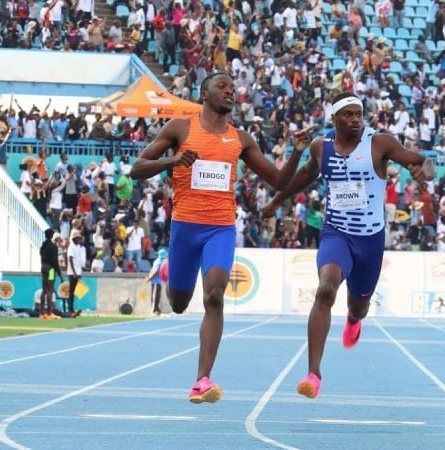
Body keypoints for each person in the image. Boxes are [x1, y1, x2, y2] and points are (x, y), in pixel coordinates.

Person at [130, 72, 315, 403]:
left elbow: (278, 181)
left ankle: (202, 380)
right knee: (179, 303)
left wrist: (297, 152)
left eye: (233, 88)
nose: (230, 91)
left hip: (220, 229)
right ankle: (175, 279)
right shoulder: (179, 128)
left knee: (214, 296)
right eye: (222, 86)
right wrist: (174, 159)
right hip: (185, 228)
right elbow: (137, 168)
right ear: (204, 94)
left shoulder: (241, 139)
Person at [262, 92, 435, 399]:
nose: (356, 119)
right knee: (325, 289)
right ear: (335, 119)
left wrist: (425, 173)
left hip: (369, 240)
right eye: (349, 114)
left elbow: (424, 162)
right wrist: (276, 202)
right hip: (336, 233)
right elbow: (304, 176)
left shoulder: (379, 143)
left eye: (359, 114)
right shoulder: (321, 147)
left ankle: (354, 320)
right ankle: (313, 374)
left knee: (358, 305)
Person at [40, 229, 63, 320]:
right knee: (50, 290)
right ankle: (49, 313)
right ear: (52, 235)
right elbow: (55, 261)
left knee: (44, 290)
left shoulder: (43, 246)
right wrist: (59, 274)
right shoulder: (53, 247)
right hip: (51, 269)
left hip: (43, 267)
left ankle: (42, 313)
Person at [65, 230, 85, 318]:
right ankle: (70, 310)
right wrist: (74, 272)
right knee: (71, 292)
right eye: (79, 238)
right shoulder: (71, 247)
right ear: (75, 238)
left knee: (75, 292)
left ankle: (72, 309)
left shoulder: (78, 247)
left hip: (78, 271)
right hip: (72, 272)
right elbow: (70, 259)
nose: (80, 240)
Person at [145, 248, 167, 315]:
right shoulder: (159, 262)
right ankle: (154, 310)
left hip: (158, 281)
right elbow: (155, 271)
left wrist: (148, 277)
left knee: (157, 296)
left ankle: (157, 309)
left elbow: (152, 269)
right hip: (156, 282)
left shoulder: (157, 261)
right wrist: (149, 279)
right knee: (155, 296)